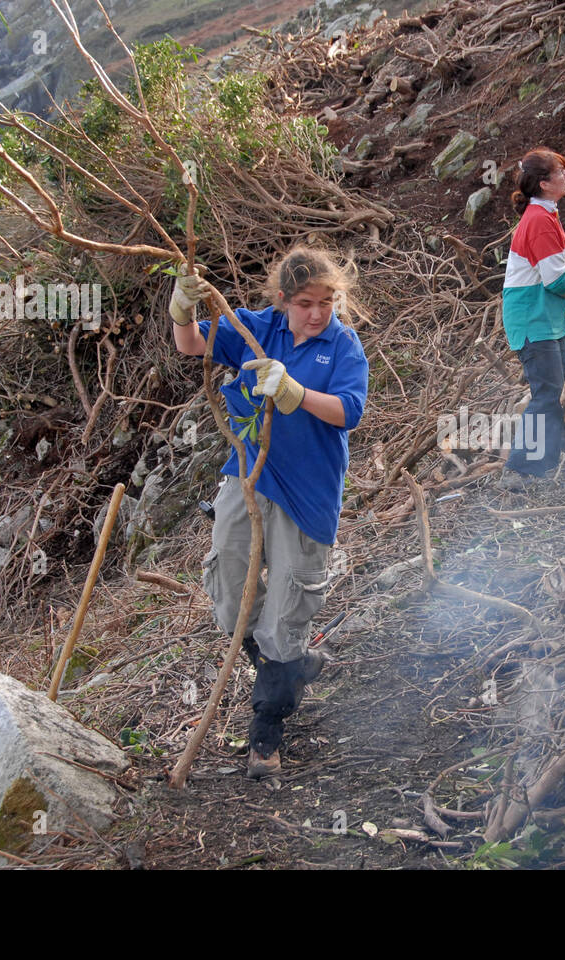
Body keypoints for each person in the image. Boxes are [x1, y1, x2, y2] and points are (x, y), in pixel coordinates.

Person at [169, 246, 368, 779]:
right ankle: (294, 668)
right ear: (283, 301)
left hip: (309, 493)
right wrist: (181, 310)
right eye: (306, 303)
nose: (318, 313)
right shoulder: (257, 328)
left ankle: (267, 732)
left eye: (328, 302)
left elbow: (349, 411)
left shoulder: (342, 344)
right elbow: (191, 345)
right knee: (231, 593)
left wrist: (296, 391)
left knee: (286, 612)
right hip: (248, 478)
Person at [498, 147, 565, 490]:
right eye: (560, 172)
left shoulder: (548, 215)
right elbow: (556, 281)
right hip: (531, 317)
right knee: (547, 391)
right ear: (543, 183)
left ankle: (548, 456)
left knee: (558, 387)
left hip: (544, 317)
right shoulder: (538, 220)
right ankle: (520, 470)